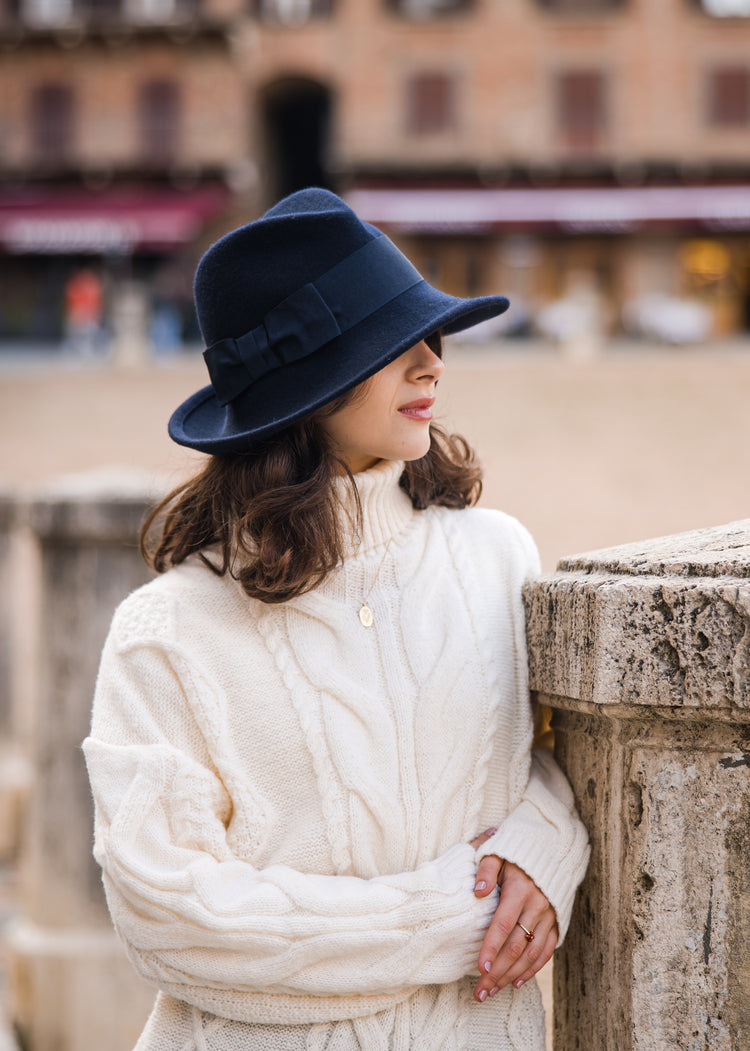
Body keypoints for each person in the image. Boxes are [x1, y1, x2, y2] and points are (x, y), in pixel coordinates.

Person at [83, 188, 590, 1051]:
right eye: (394, 342)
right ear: (304, 387)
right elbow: (168, 914)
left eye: (430, 335)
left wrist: (546, 851)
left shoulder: (497, 555)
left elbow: (547, 759)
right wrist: (452, 915)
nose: (432, 364)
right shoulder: (165, 631)